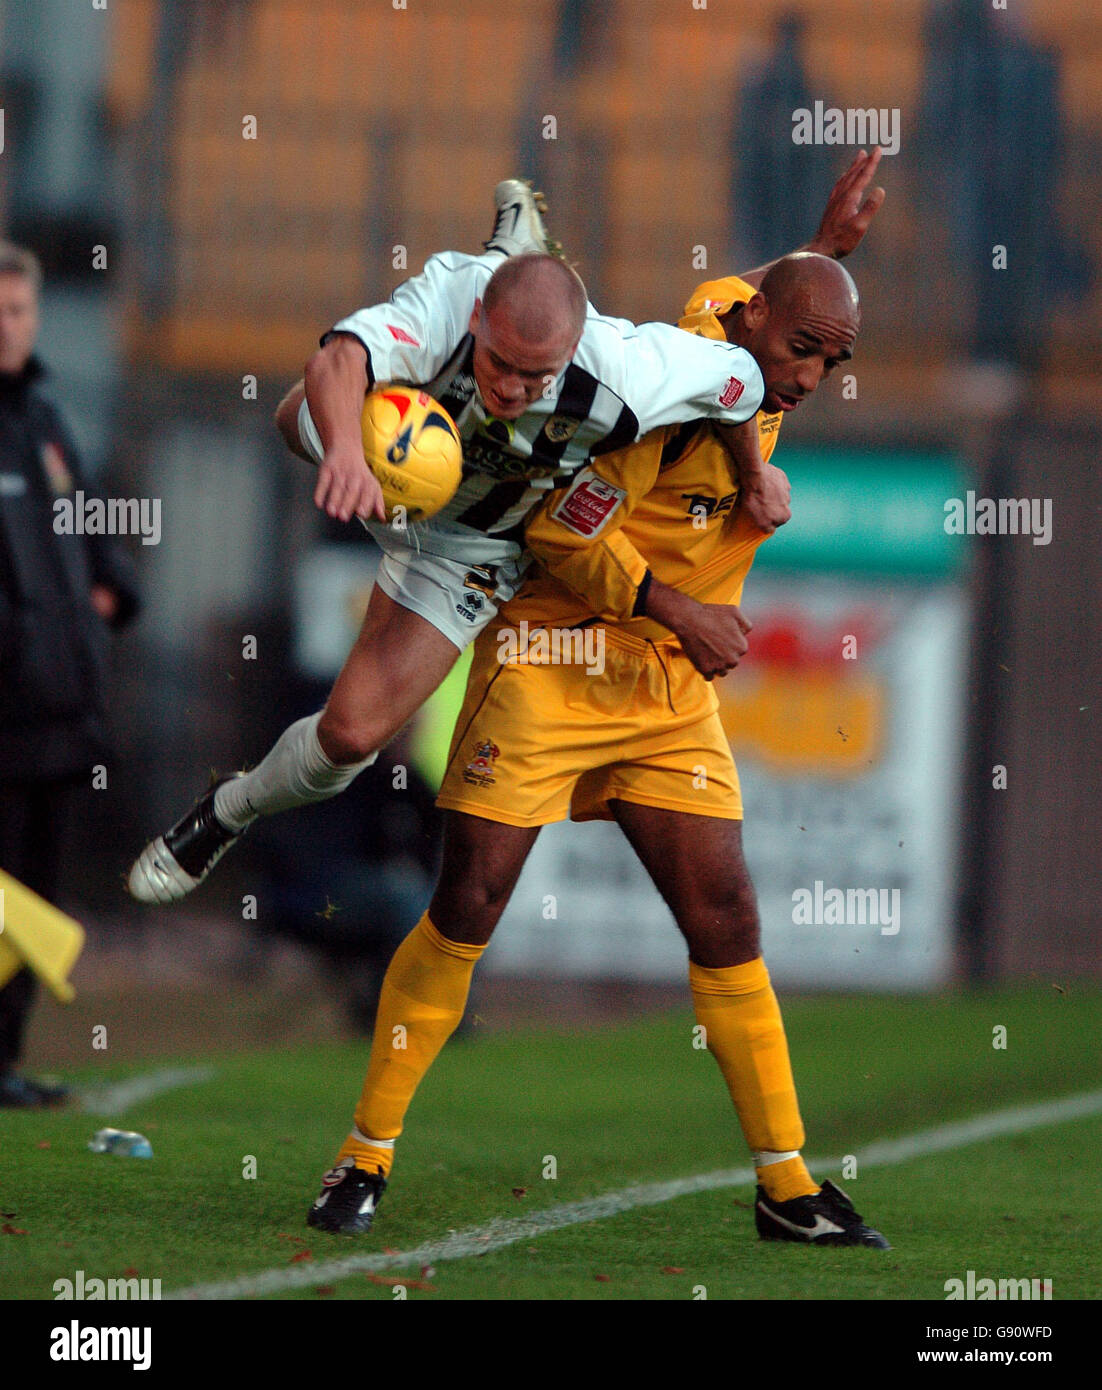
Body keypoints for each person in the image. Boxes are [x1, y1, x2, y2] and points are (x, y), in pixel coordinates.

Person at [305, 162, 891, 1248]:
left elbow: (776, 303)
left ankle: (786, 1182)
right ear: (754, 335)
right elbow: (554, 529)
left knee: (725, 914)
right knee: (470, 902)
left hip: (666, 695)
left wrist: (826, 243)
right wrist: (679, 604)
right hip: (547, 660)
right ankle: (364, 1155)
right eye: (802, 353)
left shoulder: (748, 325)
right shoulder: (649, 405)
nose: (809, 377)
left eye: (831, 359)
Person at [128, 181, 790, 904]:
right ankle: (511, 257)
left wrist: (754, 474)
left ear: (573, 351)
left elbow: (743, 382)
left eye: (534, 375)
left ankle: (231, 808)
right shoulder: (451, 299)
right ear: (480, 319)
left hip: (471, 548)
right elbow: (337, 362)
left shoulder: (630, 372)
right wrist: (346, 452)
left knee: (349, 743)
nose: (509, 387)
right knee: (298, 417)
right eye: (498, 361)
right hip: (386, 465)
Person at [0, 242, 140, 1107]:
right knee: (6, 896)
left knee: (35, 901)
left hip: (60, 707)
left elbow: (89, 528)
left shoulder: (45, 417)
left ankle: (5, 1060)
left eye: (18, 310)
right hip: (6, 708)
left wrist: (112, 593)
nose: (8, 327)